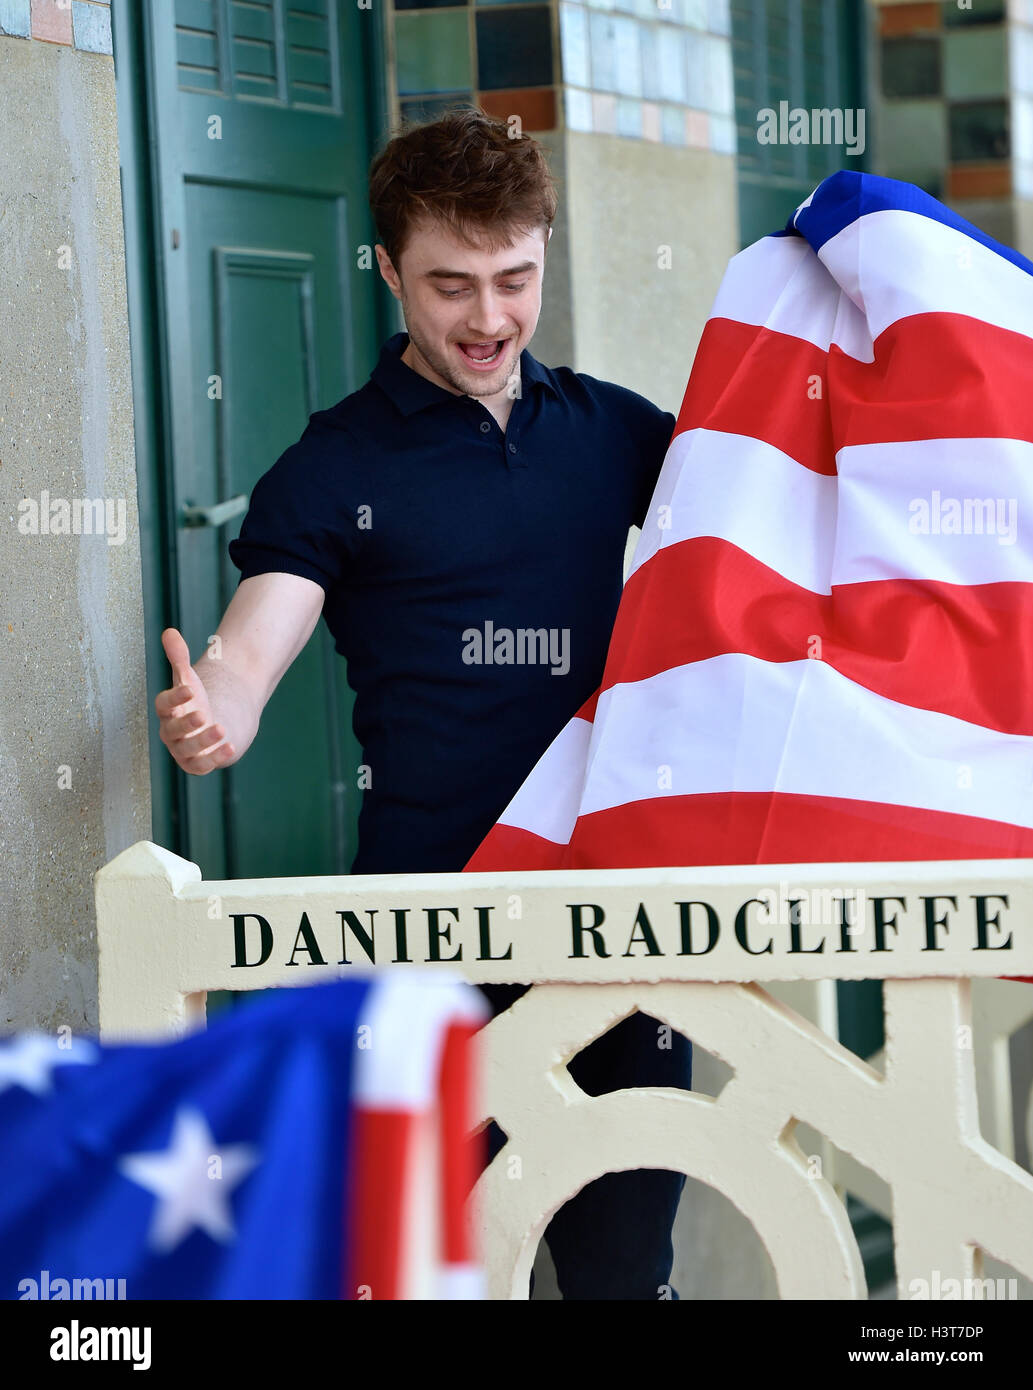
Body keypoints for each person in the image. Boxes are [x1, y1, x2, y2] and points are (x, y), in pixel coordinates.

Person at [155, 107, 692, 1300]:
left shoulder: (611, 430)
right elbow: (252, 651)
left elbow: (768, 525)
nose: (490, 318)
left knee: (623, 1281)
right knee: (411, 1277)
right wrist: (221, 712)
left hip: (613, 920)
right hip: (423, 928)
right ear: (387, 268)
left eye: (515, 278)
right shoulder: (336, 464)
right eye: (451, 284)